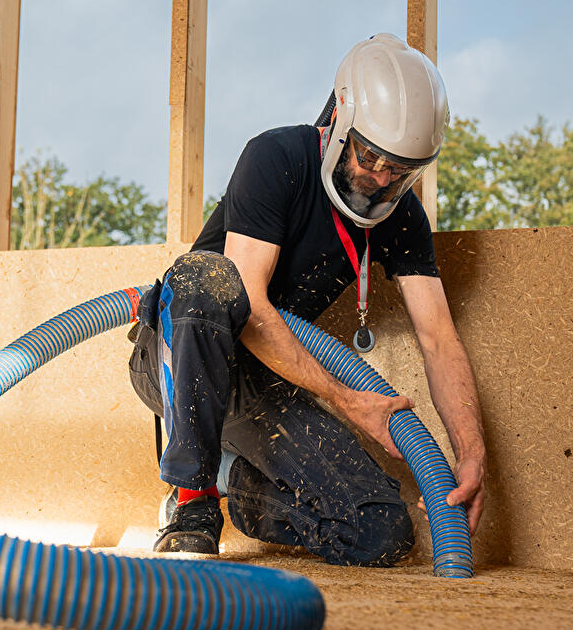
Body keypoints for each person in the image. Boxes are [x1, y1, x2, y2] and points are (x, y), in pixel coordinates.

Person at [127, 33, 486, 566]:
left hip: (268, 377)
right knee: (207, 279)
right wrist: (348, 400)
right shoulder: (277, 157)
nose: (381, 179)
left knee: (379, 530)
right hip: (183, 354)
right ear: (339, 121)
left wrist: (471, 452)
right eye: (371, 157)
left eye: (400, 171)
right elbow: (246, 300)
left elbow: (439, 339)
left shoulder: (401, 215)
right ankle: (190, 501)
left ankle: (232, 479)